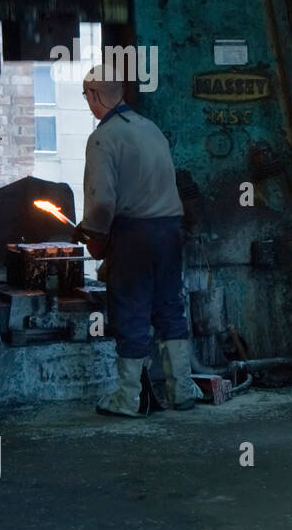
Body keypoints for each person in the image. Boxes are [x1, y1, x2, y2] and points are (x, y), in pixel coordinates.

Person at [74, 66, 200, 416]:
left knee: (131, 310)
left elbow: (101, 202)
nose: (88, 104)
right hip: (170, 231)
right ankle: (183, 391)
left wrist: (93, 236)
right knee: (169, 307)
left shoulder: (104, 137)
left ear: (95, 95)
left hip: (134, 235)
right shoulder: (152, 129)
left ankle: (129, 399)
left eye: (86, 97)